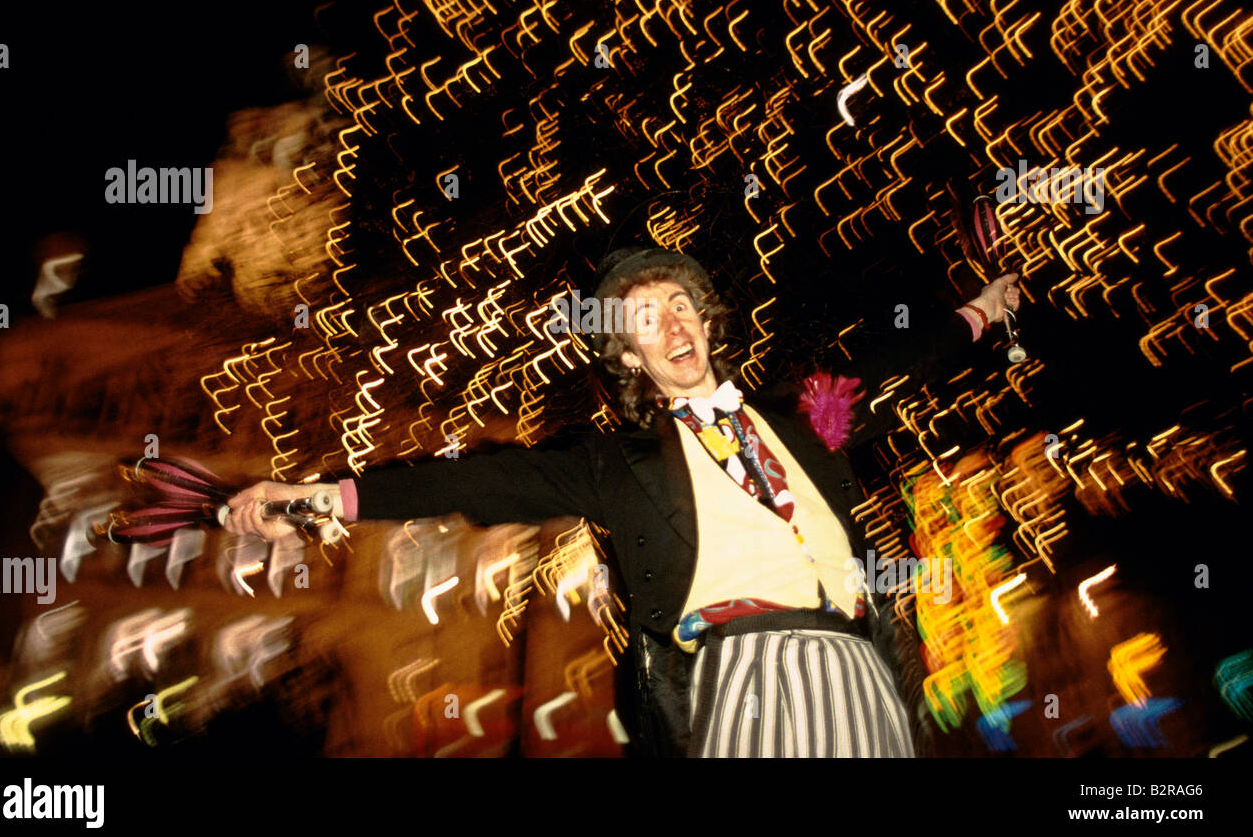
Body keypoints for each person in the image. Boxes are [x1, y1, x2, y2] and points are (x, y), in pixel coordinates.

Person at [225, 247, 1019, 757]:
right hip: (743, 674)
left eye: (679, 304)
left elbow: (891, 363)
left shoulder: (803, 418)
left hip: (862, 669)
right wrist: (312, 498)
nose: (671, 322)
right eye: (647, 318)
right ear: (631, 355)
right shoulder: (619, 464)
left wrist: (980, 310)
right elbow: (474, 481)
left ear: (703, 320)